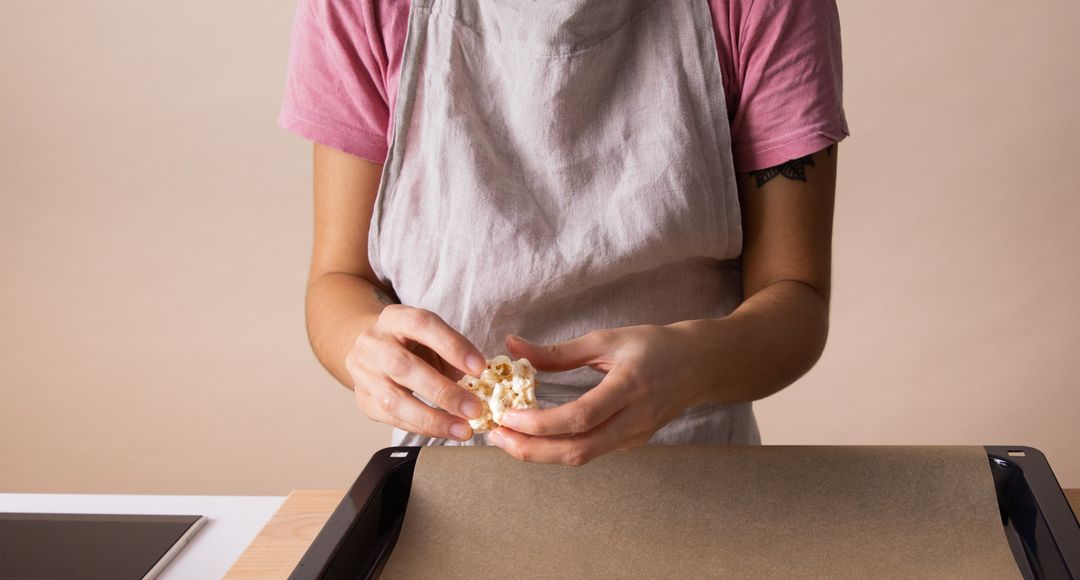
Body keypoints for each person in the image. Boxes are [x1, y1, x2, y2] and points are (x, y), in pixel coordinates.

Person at [280, 0, 847, 466]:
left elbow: (796, 299)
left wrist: (691, 364)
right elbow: (338, 279)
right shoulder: (360, 9)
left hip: (690, 464)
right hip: (452, 474)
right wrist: (364, 345)